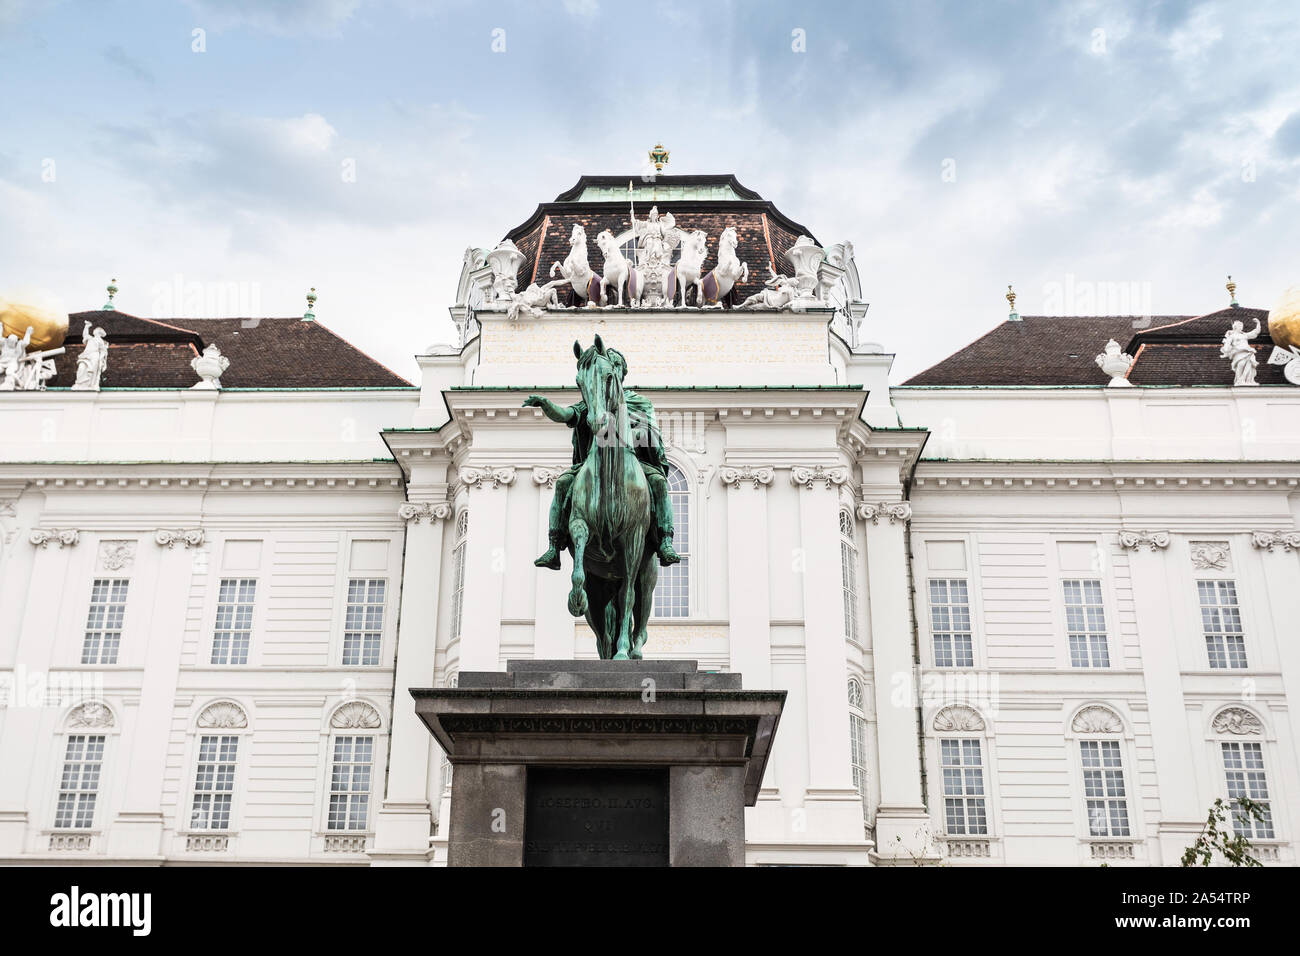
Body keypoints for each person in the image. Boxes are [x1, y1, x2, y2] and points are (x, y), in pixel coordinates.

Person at [524, 348, 680, 569]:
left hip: (632, 461)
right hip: (593, 464)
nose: (612, 370)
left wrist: (631, 434)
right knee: (562, 483)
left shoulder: (638, 402)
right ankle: (554, 546)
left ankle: (665, 540)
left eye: (615, 366)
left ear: (620, 373)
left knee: (659, 483)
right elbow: (566, 415)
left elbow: (651, 434)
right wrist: (546, 405)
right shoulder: (592, 401)